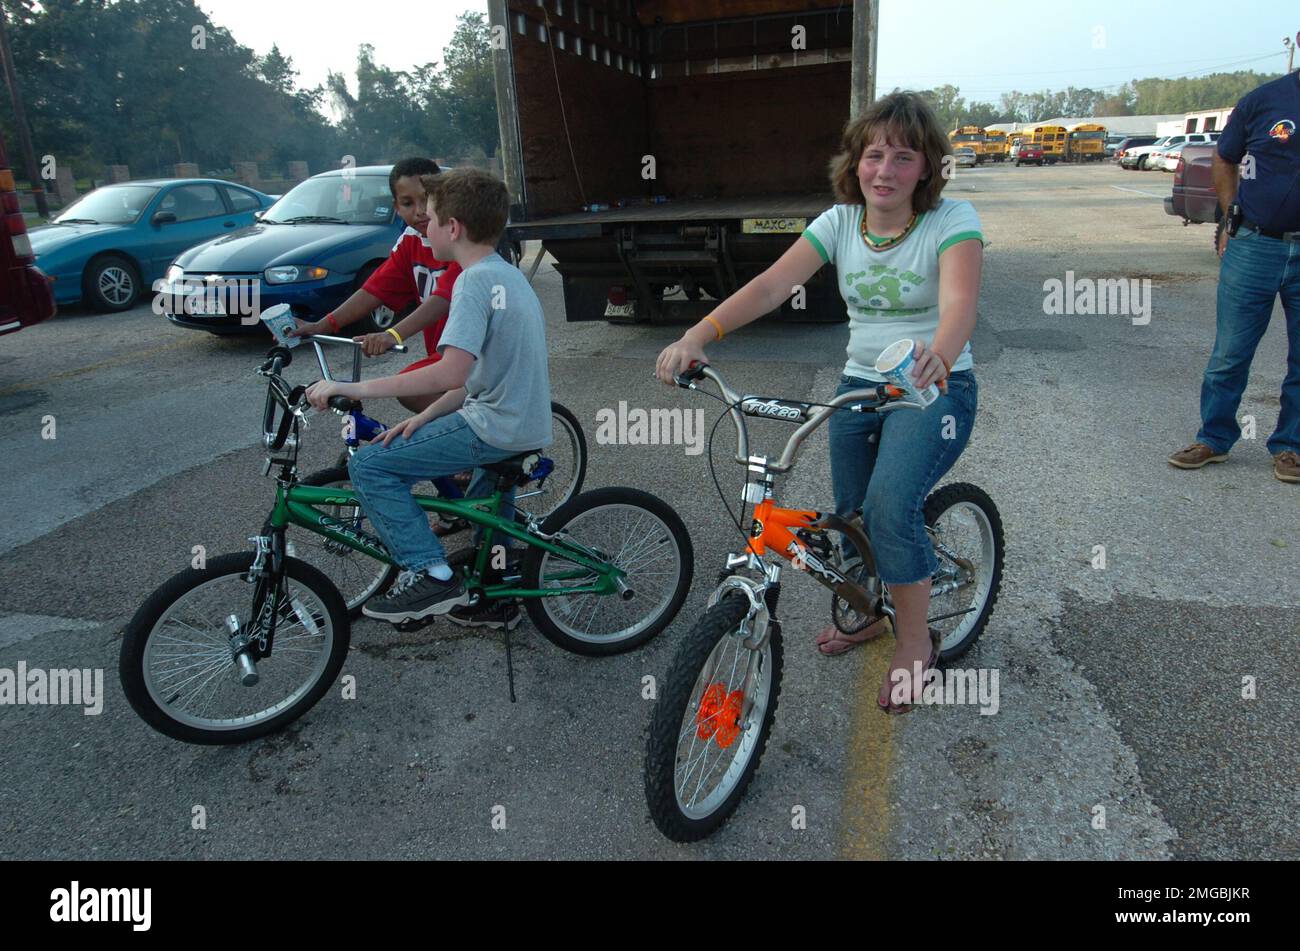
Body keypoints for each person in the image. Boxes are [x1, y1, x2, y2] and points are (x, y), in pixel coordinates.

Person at [655, 91, 984, 713]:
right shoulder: (838, 223)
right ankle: (868, 614)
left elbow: (960, 302)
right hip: (860, 388)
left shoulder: (952, 221)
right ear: (855, 161)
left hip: (935, 388)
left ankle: (915, 643)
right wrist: (699, 334)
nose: (885, 170)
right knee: (853, 516)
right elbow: (773, 284)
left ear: (928, 167)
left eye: (904, 157)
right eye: (874, 154)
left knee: (890, 508)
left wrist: (940, 352)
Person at [305, 168, 553, 626]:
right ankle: (497, 601)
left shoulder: (472, 282)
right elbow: (472, 379)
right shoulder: (503, 273)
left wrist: (350, 387)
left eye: (431, 217)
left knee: (369, 465)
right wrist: (426, 417)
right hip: (521, 422)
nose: (423, 225)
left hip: (494, 426)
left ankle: (432, 574)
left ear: (453, 228)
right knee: (486, 512)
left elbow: (450, 370)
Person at [1168, 69, 1300, 483]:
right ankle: (1214, 438)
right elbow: (1225, 157)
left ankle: (1290, 446)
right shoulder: (1265, 100)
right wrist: (1230, 216)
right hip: (1256, 244)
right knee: (1230, 352)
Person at [292, 157, 461, 414]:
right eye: (408, 203)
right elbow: (375, 290)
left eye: (427, 199)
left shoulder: (460, 239)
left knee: (422, 399)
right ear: (396, 206)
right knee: (413, 395)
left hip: (473, 354)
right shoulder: (411, 241)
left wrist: (392, 334)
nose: (420, 210)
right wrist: (322, 325)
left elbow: (443, 298)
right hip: (445, 353)